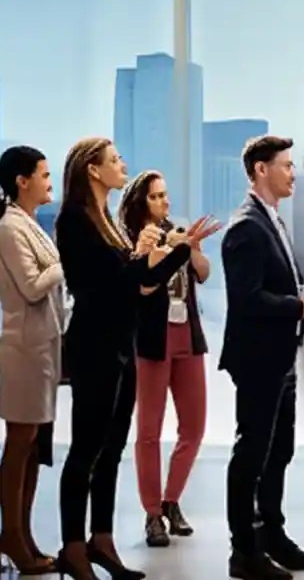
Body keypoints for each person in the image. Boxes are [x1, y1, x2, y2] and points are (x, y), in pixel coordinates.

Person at [55, 137, 213, 580]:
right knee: (86, 450)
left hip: (119, 346)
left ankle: (100, 541)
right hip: (94, 347)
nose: (121, 165)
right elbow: (118, 283)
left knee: (111, 450)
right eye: (114, 160)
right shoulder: (74, 220)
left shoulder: (104, 219)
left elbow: (139, 283)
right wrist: (157, 254)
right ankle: (73, 549)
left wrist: (181, 249)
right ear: (92, 169)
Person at [220, 135, 304, 580]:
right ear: (261, 170)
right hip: (259, 357)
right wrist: (300, 306)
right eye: (284, 165)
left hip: (281, 355)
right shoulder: (246, 225)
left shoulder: (271, 220)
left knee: (278, 451)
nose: (292, 173)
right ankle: (244, 551)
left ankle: (272, 537)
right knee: (252, 453)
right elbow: (246, 299)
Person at [117, 170, 214, 548]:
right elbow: (146, 284)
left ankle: (172, 500)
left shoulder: (179, 233)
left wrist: (190, 248)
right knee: (149, 431)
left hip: (187, 335)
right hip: (152, 340)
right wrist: (166, 249)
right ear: (142, 202)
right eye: (156, 196)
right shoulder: (133, 240)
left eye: (165, 195)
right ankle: (152, 512)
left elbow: (203, 273)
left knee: (194, 426)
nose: (164, 202)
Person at [0, 146, 65, 576]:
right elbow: (33, 287)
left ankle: (23, 534)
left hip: (40, 349)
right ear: (22, 180)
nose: (51, 182)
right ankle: (11, 534)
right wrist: (61, 265)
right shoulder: (12, 229)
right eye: (44, 174)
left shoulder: (29, 225)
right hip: (22, 351)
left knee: (32, 448)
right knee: (19, 445)